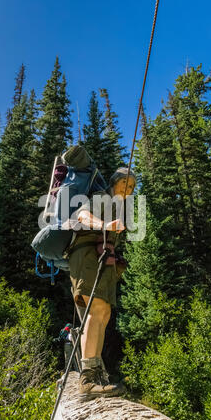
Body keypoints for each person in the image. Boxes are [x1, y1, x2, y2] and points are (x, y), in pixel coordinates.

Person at [68, 167, 136, 399]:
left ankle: (96, 374)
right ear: (114, 182)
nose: (127, 189)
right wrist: (106, 226)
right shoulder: (103, 197)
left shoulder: (118, 205)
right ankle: (88, 379)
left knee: (102, 313)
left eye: (131, 186)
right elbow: (82, 216)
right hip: (87, 256)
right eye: (124, 183)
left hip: (102, 259)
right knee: (95, 311)